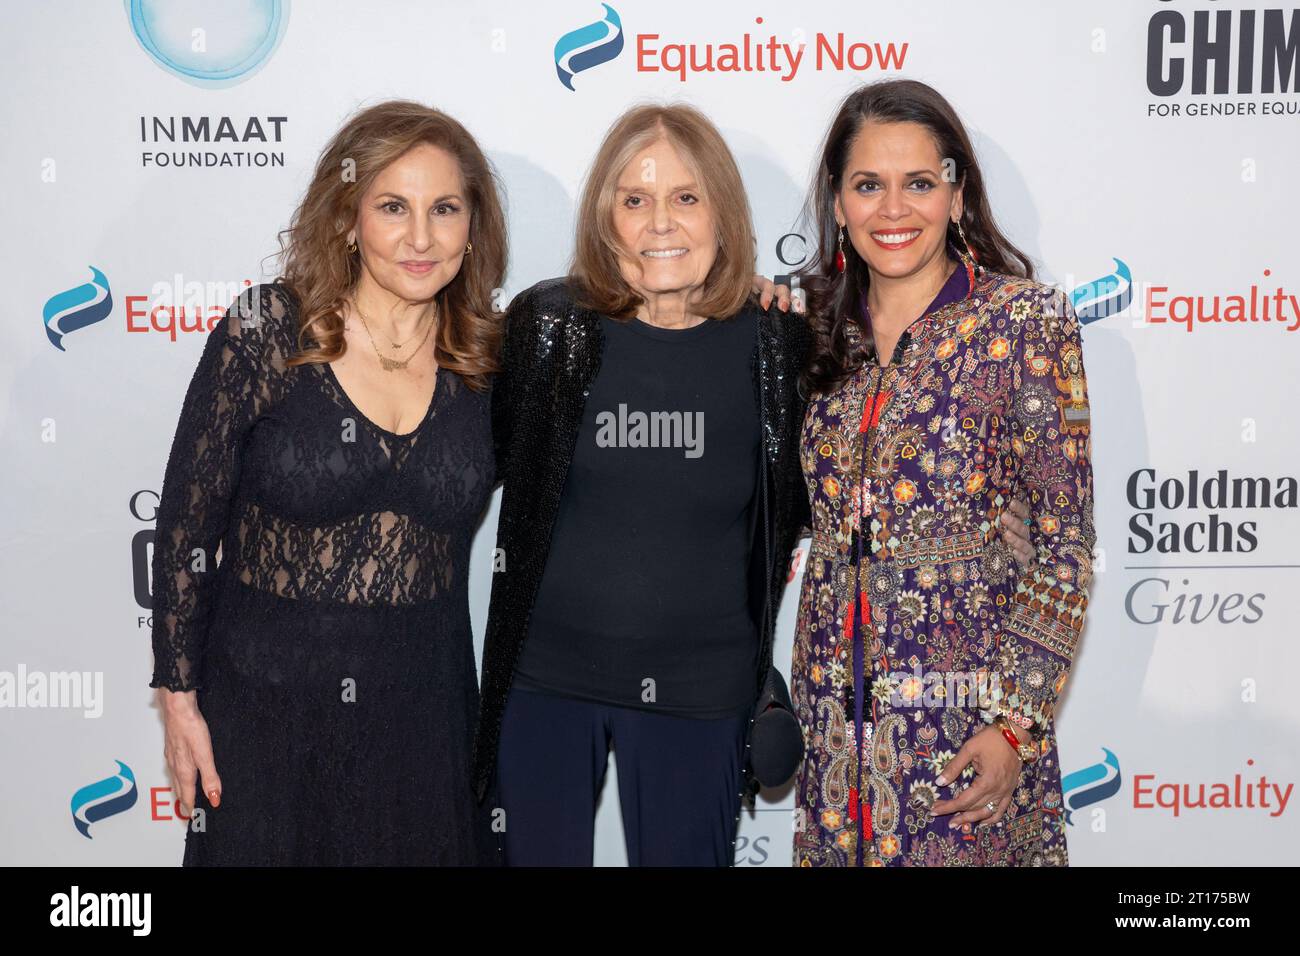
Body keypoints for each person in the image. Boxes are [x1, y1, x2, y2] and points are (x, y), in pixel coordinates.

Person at [472, 101, 1038, 866]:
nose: (660, 223)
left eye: (685, 197)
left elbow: (853, 481)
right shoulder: (548, 327)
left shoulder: (781, 341)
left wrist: (998, 517)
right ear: (605, 220)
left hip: (701, 700)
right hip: (545, 692)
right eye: (634, 200)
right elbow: (466, 462)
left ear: (721, 214)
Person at [149, 100, 505, 865]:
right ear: (347, 219)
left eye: (444, 208)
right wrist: (179, 703)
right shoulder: (267, 331)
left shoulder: (488, 361)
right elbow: (185, 526)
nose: (420, 237)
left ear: (473, 227)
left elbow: (627, 332)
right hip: (265, 711)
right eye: (392, 207)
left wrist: (756, 305)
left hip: (424, 718)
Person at [791, 78, 1095, 866]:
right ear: (838, 204)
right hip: (832, 718)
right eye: (869, 185)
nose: (894, 210)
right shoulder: (808, 333)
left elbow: (1064, 547)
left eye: (919, 183)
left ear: (957, 197)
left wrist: (1014, 724)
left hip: (968, 721)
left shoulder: (1026, 323)